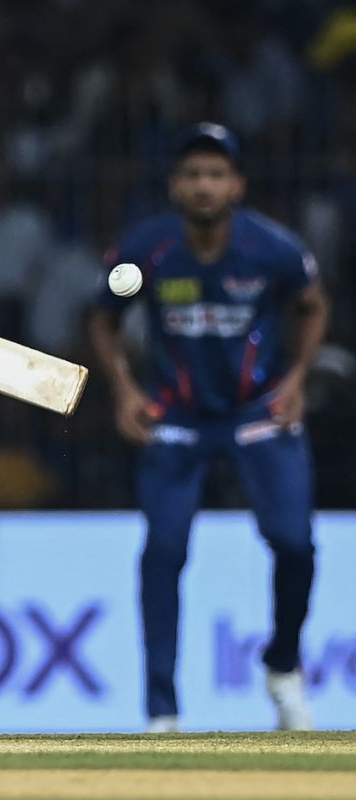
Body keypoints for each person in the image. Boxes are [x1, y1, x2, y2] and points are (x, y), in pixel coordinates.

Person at [89, 122, 330, 733]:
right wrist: (124, 391)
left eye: (217, 174)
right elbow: (104, 318)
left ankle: (282, 667)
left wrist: (297, 379)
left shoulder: (272, 248)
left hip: (258, 411)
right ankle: (162, 710)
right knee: (164, 551)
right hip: (177, 414)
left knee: (294, 542)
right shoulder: (149, 249)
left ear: (238, 185)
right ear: (175, 185)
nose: (204, 186)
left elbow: (313, 304)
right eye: (193, 174)